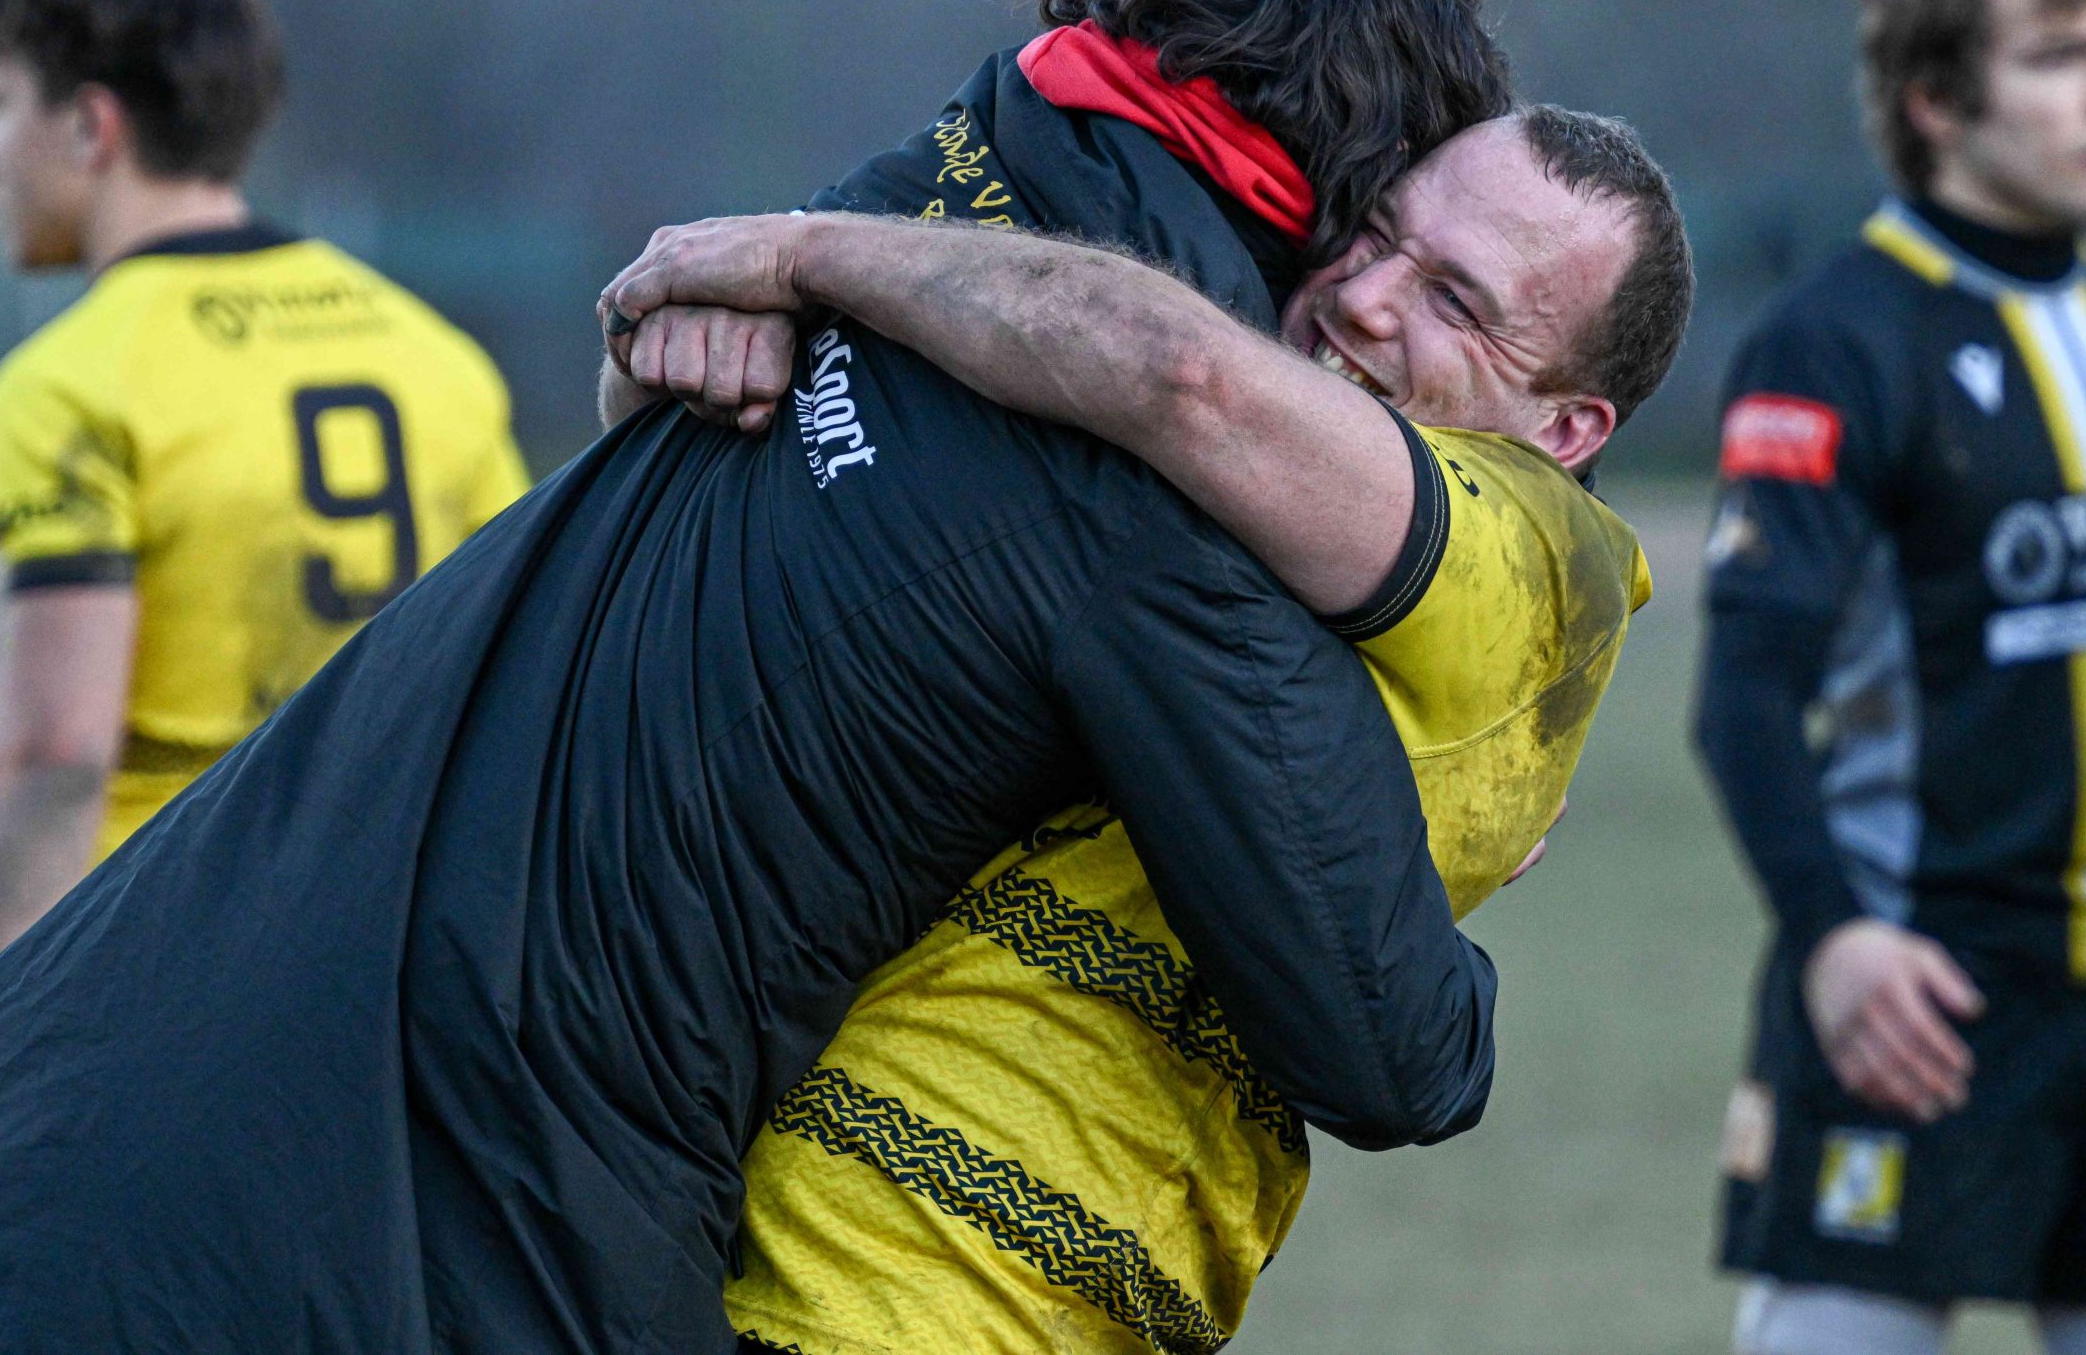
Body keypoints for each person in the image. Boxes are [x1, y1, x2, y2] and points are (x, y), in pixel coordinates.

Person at [0, 0, 1540, 1355]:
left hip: (118, 1080)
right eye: (1398, 242)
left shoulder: (880, 208)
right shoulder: (1138, 489)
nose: (1381, 307)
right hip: (421, 1233)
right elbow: (1396, 1049)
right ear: (1331, 200)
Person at [597, 100, 1691, 1353]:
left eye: (1458, 304)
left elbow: (1184, 377)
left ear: (1564, 434)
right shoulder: (1288, 547)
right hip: (801, 1250)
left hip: (921, 1304)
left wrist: (800, 252)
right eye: (1378, 231)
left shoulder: (1531, 553)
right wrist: (669, 376)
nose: (1367, 299)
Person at [1696, 0, 2086, 1355]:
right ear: (1939, 101)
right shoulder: (1839, 345)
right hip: (1913, 988)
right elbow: (1746, 695)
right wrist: (1833, 942)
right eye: (2058, 54)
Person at [0, 0, 529, 994]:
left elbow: (56, 754)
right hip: (385, 970)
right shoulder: (437, 358)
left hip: (161, 970)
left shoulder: (70, 383)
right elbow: (511, 679)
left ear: (90, 128)